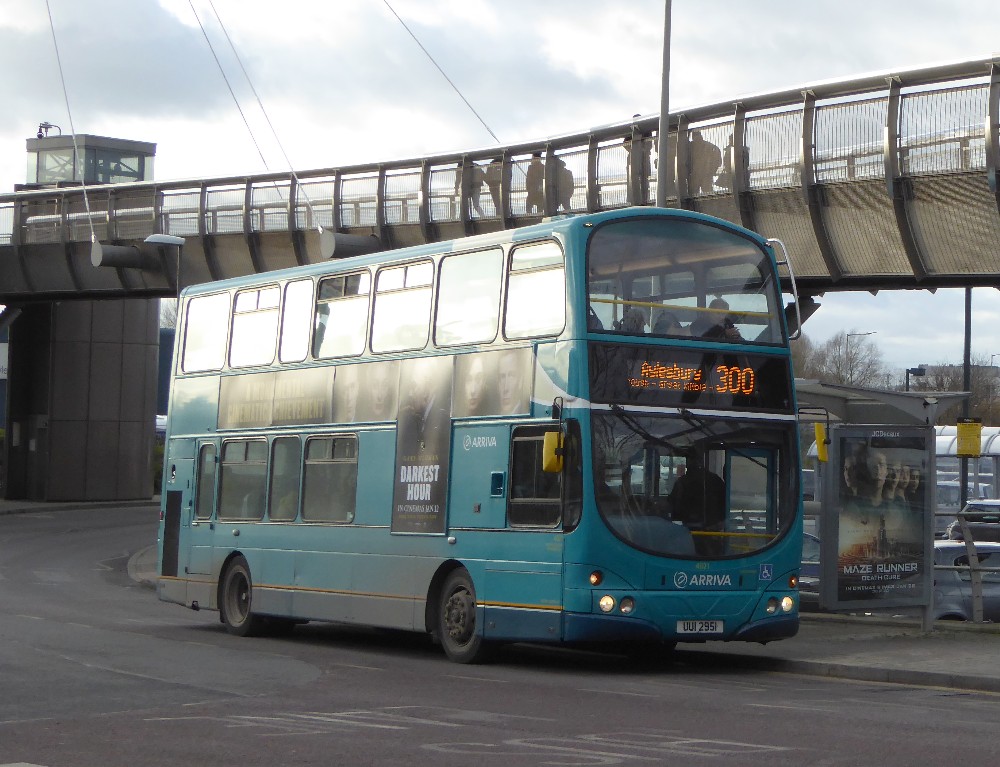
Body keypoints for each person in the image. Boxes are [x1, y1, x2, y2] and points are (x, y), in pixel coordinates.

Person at [689, 130, 721, 195]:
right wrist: (712, 171)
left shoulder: (689, 147)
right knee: (708, 195)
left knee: (693, 197)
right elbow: (718, 161)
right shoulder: (711, 146)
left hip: (695, 176)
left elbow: (718, 161)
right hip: (705, 175)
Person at [498, 348, 529, 415]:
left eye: (511, 376)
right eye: (502, 377)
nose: (506, 388)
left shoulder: (525, 414)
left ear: (520, 381)